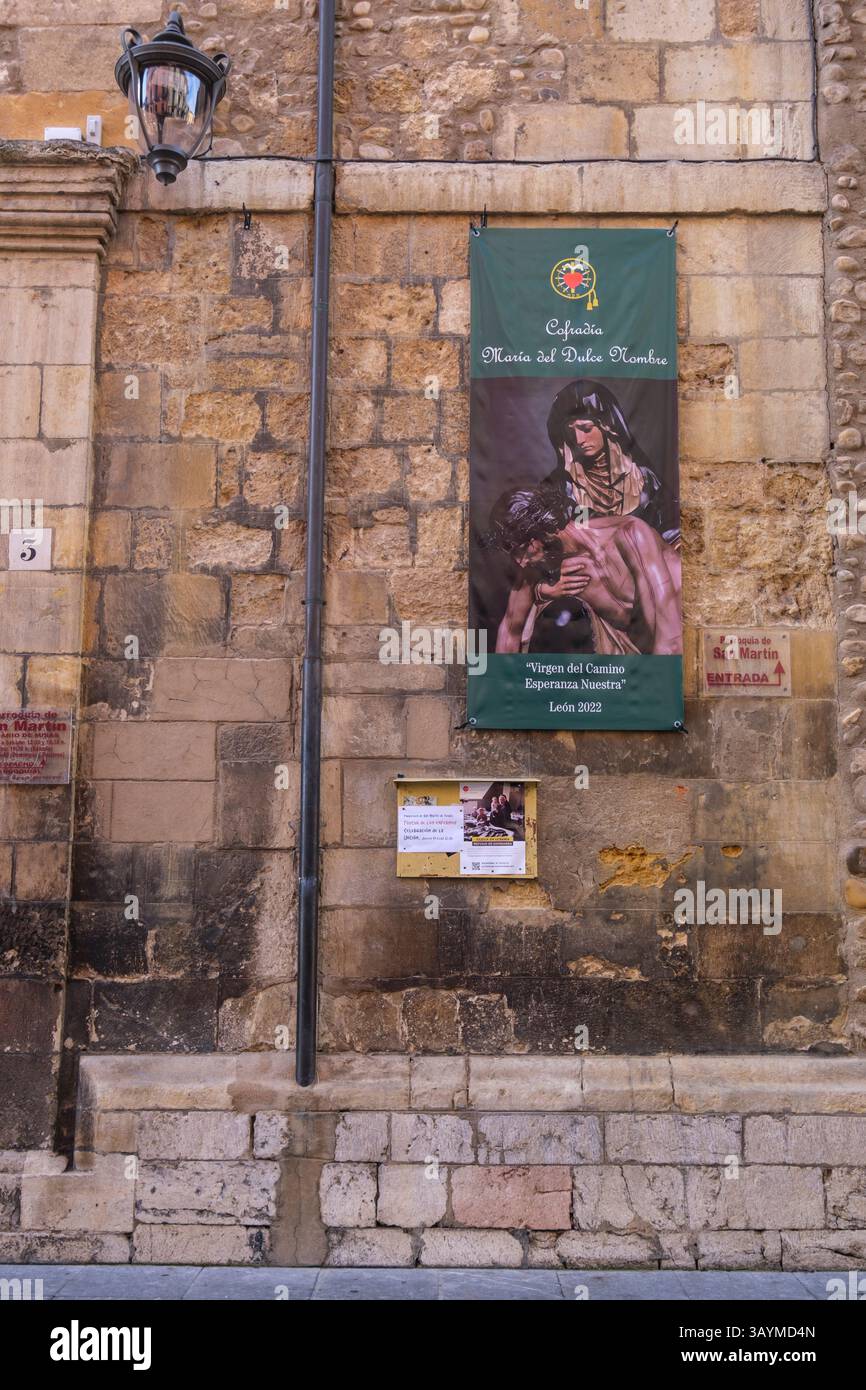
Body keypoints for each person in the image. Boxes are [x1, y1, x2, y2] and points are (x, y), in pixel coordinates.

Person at [489, 485, 681, 657]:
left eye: (522, 549)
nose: (521, 562)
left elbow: (670, 638)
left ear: (542, 530)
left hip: (679, 635)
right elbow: (509, 632)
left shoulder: (630, 535)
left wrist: (658, 689)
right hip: (630, 662)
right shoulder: (537, 568)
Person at [543, 378, 679, 547]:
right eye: (571, 432)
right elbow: (569, 539)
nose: (579, 440)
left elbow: (671, 526)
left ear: (607, 426)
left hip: (644, 566)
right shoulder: (566, 487)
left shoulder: (643, 479)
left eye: (586, 429)